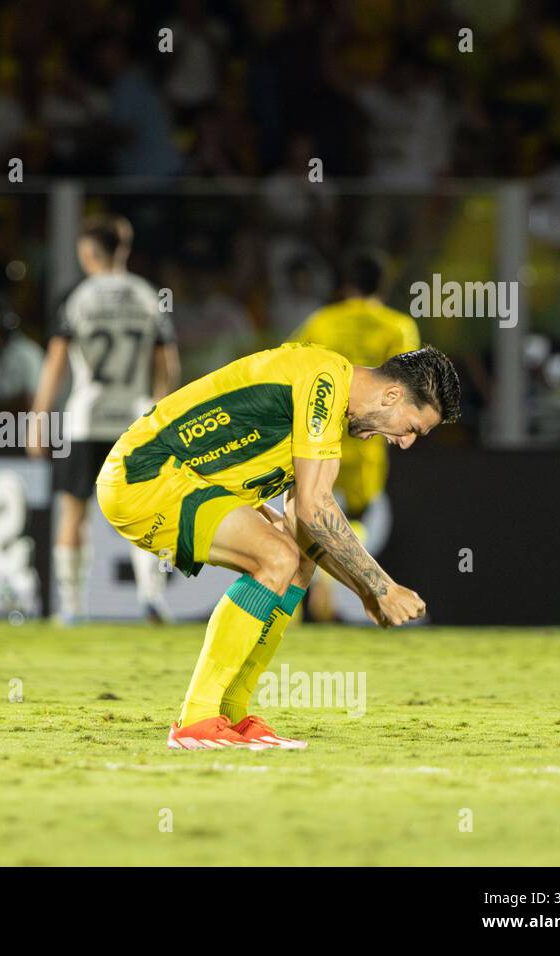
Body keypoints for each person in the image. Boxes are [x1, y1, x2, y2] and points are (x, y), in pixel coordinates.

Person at [96, 342, 460, 749]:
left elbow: (309, 530)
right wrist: (382, 587)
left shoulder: (326, 403)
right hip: (146, 475)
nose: (406, 442)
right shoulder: (323, 382)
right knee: (276, 555)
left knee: (298, 558)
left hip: (178, 480)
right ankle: (196, 718)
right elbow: (315, 507)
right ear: (392, 395)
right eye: (412, 427)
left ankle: (230, 713)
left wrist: (364, 592)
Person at [29, 216, 179, 623]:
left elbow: (56, 362)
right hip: (135, 420)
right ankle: (152, 596)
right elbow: (166, 361)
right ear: (123, 251)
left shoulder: (77, 296)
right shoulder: (147, 296)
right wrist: (159, 409)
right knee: (146, 510)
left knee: (74, 511)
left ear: (87, 253)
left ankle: (72, 607)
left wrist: (38, 417)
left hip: (84, 420)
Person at [288, 251, 421, 621]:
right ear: (384, 285)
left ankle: (289, 608)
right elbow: (408, 386)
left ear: (346, 285)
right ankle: (330, 580)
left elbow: (291, 363)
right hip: (367, 442)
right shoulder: (397, 326)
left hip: (316, 436)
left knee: (304, 514)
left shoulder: (322, 321)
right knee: (356, 516)